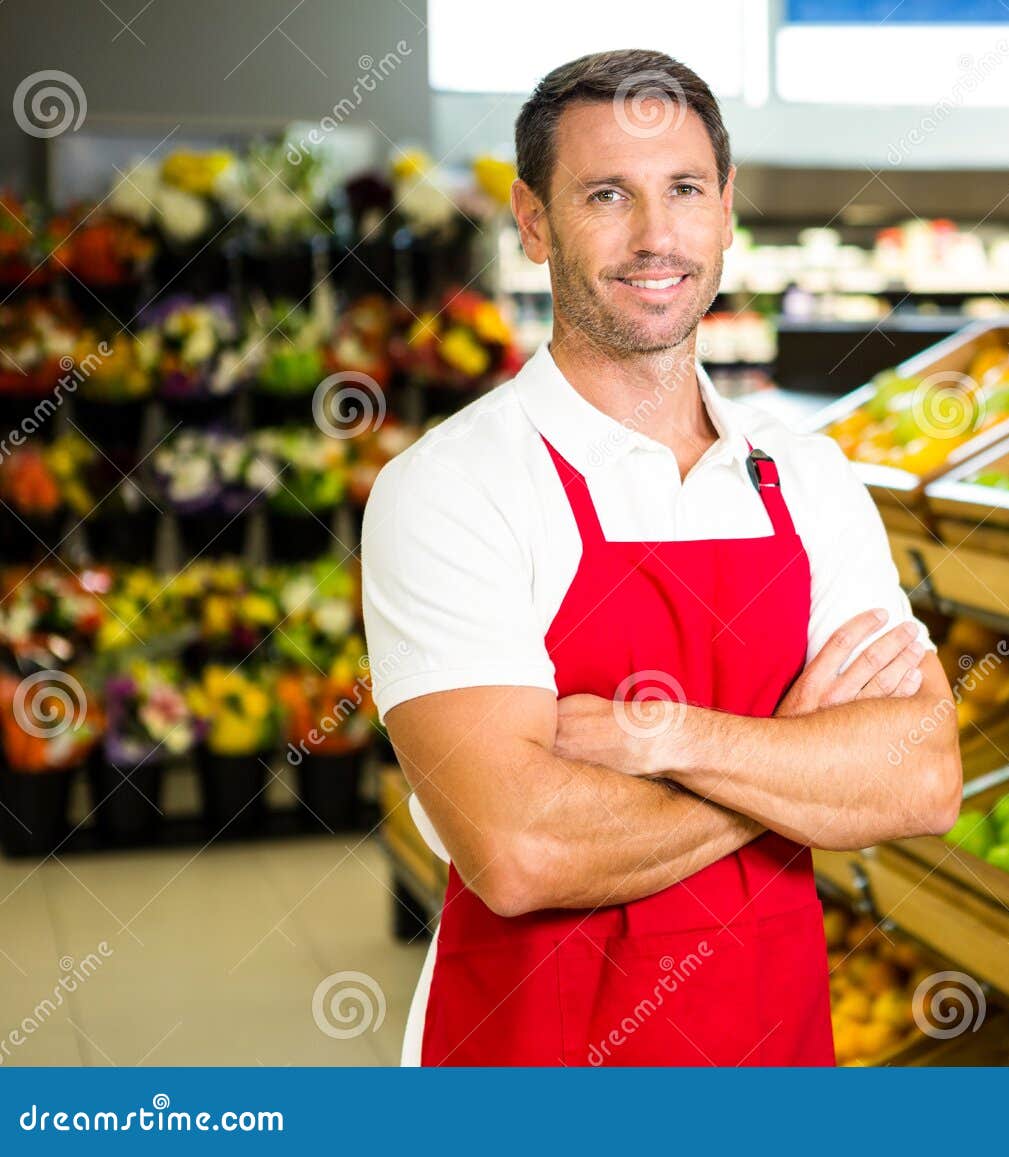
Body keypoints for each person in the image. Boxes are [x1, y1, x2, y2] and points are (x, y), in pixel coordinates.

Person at [361, 48, 961, 1068]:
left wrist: (670, 734)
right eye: (607, 194)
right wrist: (792, 751)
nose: (655, 236)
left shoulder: (809, 480)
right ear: (535, 218)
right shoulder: (452, 485)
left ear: (725, 207)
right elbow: (520, 850)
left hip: (771, 1048)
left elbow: (919, 777)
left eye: (684, 189)